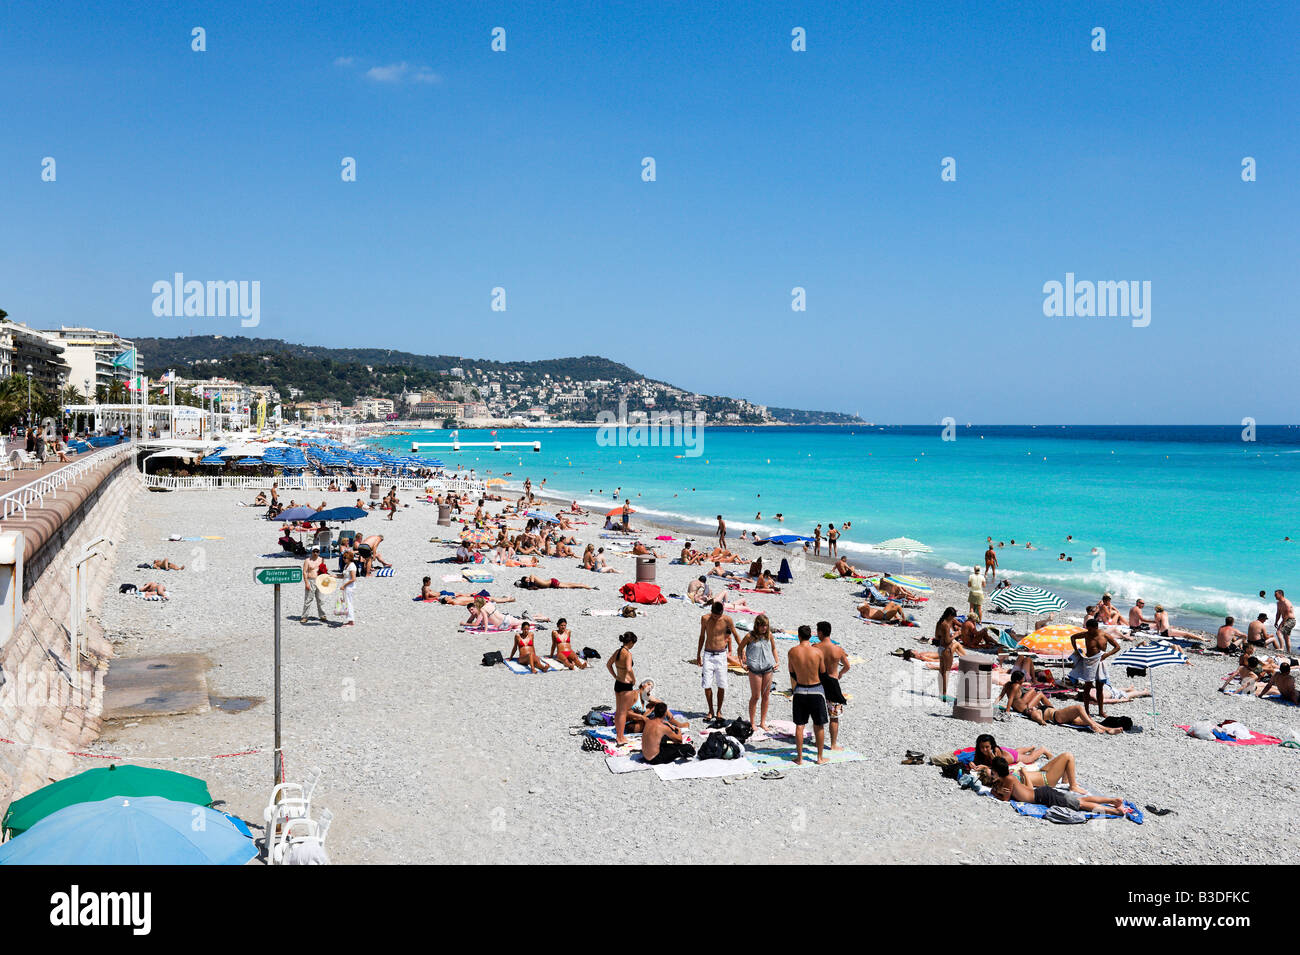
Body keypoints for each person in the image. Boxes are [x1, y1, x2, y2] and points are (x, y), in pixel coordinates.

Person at [987, 757, 1126, 815]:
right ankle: (1112, 801)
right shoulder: (1009, 778)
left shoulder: (1007, 780)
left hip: (1044, 796)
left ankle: (1115, 811)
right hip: (1042, 792)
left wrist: (994, 793)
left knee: (1080, 805)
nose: (992, 775)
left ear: (997, 772)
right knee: (1080, 801)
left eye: (993, 772)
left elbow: (1004, 798)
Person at [788, 625, 828, 765]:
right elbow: (822, 672)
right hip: (815, 689)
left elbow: (791, 671)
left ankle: (799, 759)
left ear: (798, 636)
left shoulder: (792, 652)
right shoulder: (817, 652)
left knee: (800, 725)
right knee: (819, 724)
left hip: (800, 690)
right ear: (810, 636)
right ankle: (819, 758)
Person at [1068, 618, 1121, 718]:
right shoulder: (1086, 634)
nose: (1089, 631)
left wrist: (1107, 654)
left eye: (1090, 629)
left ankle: (1101, 711)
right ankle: (1086, 711)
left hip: (1100, 661)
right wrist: (1076, 651)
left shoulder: (1105, 635)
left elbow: (1117, 647)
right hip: (1089, 662)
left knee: (1099, 687)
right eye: (1087, 629)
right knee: (1087, 686)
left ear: (1096, 628)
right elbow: (1073, 637)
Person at [696, 601, 738, 724]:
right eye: (714, 616)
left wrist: (741, 650)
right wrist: (698, 654)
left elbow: (735, 635)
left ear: (722, 612)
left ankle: (719, 711)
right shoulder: (705, 619)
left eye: (718, 616)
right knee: (707, 684)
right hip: (708, 654)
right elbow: (702, 636)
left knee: (721, 684)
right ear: (711, 612)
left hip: (721, 655)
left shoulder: (727, 620)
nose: (716, 618)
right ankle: (710, 710)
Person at [737, 613, 778, 730]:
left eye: (766, 626)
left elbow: (774, 648)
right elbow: (740, 649)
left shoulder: (769, 635)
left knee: (766, 696)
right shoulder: (749, 636)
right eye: (762, 626)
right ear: (757, 625)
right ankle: (753, 722)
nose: (764, 628)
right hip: (754, 669)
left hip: (768, 668)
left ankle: (763, 722)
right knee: (755, 696)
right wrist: (742, 663)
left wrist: (777, 661)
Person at [816, 621, 849, 751]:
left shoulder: (816, 648)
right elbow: (847, 666)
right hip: (833, 683)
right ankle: (833, 744)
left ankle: (818, 742)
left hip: (818, 682)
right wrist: (840, 674)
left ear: (820, 632)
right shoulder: (838, 649)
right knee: (834, 716)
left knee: (818, 714)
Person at [606, 632, 638, 745]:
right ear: (630, 642)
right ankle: (620, 737)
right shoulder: (628, 654)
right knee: (623, 712)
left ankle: (619, 736)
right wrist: (634, 679)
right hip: (626, 685)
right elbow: (629, 668)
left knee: (618, 711)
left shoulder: (617, 652)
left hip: (618, 683)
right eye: (633, 643)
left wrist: (615, 676)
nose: (633, 645)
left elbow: (608, 664)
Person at [934, 606, 960, 702]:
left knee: (941, 670)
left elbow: (936, 636)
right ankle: (944, 694)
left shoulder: (939, 623)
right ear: (949, 615)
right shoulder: (946, 625)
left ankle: (940, 692)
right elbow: (948, 640)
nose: (953, 619)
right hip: (946, 649)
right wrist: (955, 635)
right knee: (946, 672)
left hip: (940, 648)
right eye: (952, 617)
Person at [300, 548, 327, 623]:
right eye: (314, 551)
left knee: (321, 599)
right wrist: (306, 583)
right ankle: (304, 616)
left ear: (319, 552)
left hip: (319, 580)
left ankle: (322, 615)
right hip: (311, 580)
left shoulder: (321, 559)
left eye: (317, 551)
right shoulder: (307, 560)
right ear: (312, 552)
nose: (315, 553)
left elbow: (324, 570)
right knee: (308, 599)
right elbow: (304, 572)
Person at [339, 551, 358, 626]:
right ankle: (349, 619)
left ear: (349, 558)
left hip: (349, 587)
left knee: (349, 603)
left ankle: (351, 621)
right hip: (346, 587)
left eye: (345, 558)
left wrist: (344, 585)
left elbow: (353, 579)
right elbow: (343, 576)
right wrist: (333, 576)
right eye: (343, 557)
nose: (343, 559)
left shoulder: (352, 566)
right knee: (346, 603)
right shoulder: (346, 565)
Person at [515, 574, 595, 590]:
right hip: (552, 583)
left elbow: (531, 576)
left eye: (527, 579)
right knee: (569, 584)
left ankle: (585, 586)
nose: (528, 579)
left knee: (570, 586)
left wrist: (530, 585)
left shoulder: (532, 577)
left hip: (552, 582)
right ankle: (585, 586)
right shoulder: (531, 582)